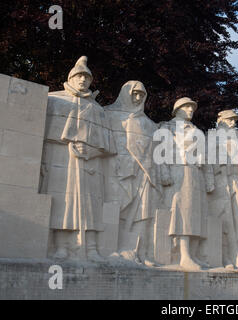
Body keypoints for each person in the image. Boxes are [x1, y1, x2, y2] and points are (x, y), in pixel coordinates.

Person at [45, 56, 116, 261]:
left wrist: (91, 152)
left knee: (91, 206)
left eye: (86, 77)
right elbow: (46, 134)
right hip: (61, 161)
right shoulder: (55, 100)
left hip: (90, 164)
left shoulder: (97, 109)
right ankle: (60, 247)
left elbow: (108, 146)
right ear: (71, 78)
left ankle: (92, 248)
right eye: (79, 76)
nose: (83, 80)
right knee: (62, 203)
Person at [105, 81, 158, 266]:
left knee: (142, 213)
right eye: (134, 94)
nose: (137, 98)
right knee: (119, 208)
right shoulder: (109, 114)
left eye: (141, 95)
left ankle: (138, 251)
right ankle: (112, 248)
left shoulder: (150, 124)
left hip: (144, 174)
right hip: (120, 172)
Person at [159, 97, 213, 270]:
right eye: (187, 107)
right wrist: (165, 172)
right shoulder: (168, 127)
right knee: (183, 213)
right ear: (178, 109)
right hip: (179, 171)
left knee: (197, 213)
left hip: (196, 173)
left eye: (192, 107)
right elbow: (161, 153)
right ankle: (184, 256)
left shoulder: (197, 130)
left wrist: (209, 179)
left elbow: (206, 158)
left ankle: (194, 255)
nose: (191, 110)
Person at [208, 110, 238, 269]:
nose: (233, 123)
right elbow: (209, 160)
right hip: (222, 181)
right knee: (226, 221)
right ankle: (227, 257)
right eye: (230, 120)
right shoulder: (212, 137)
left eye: (234, 120)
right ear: (221, 120)